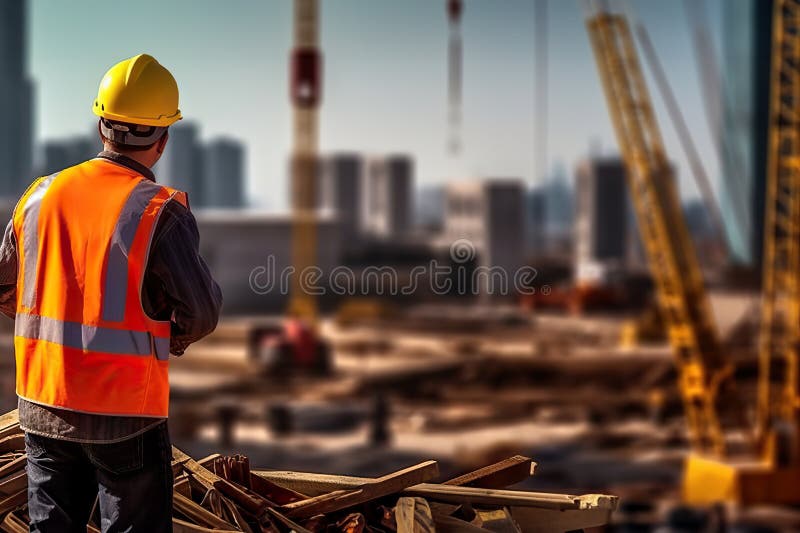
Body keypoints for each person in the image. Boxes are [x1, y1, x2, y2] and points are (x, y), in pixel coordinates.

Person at [0, 54, 222, 532]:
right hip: (125, 415)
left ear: (102, 124)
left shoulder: (38, 196)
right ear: (162, 139)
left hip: (43, 403)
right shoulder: (158, 211)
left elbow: (4, 285)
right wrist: (165, 336)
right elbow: (200, 313)